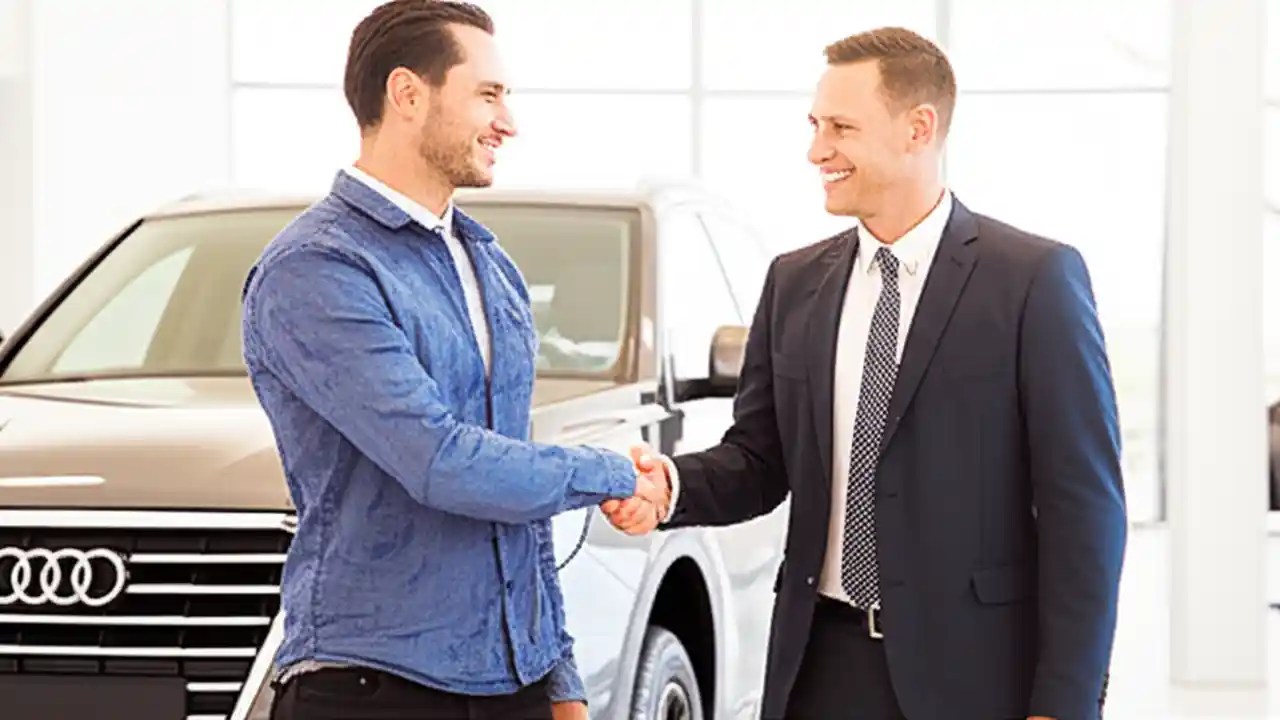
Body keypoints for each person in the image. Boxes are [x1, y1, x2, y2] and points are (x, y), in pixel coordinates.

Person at [605, 26, 1127, 720]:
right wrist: (671, 486)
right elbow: (760, 461)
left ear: (919, 128)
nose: (817, 149)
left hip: (976, 678)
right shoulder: (794, 283)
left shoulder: (1033, 282)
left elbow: (1085, 514)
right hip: (820, 667)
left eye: (841, 128)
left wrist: (1063, 704)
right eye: (816, 125)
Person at [240, 2, 667, 719]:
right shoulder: (317, 268)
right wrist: (614, 473)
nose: (509, 122)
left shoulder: (487, 264)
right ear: (407, 94)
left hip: (514, 684)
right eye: (489, 95)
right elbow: (444, 462)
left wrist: (558, 675)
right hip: (377, 688)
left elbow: (511, 481)